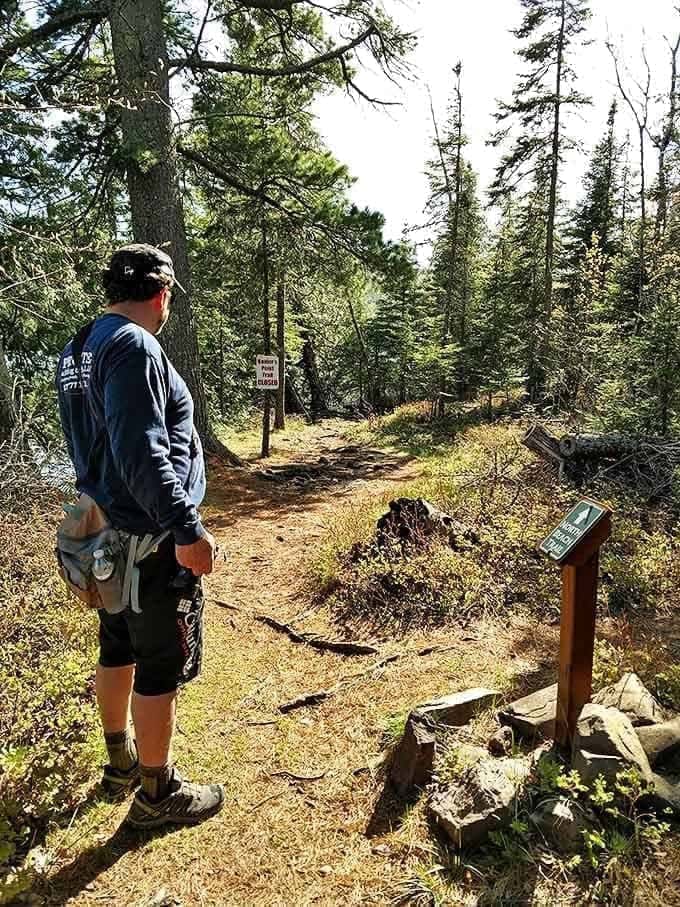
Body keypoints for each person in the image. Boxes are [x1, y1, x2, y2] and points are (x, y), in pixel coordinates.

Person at [56, 243, 225, 829]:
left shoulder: (81, 346)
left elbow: (99, 446)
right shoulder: (134, 344)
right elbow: (141, 452)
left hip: (104, 535)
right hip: (147, 540)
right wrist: (187, 528)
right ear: (162, 294)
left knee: (117, 644)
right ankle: (157, 795)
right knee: (158, 663)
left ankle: (119, 761)